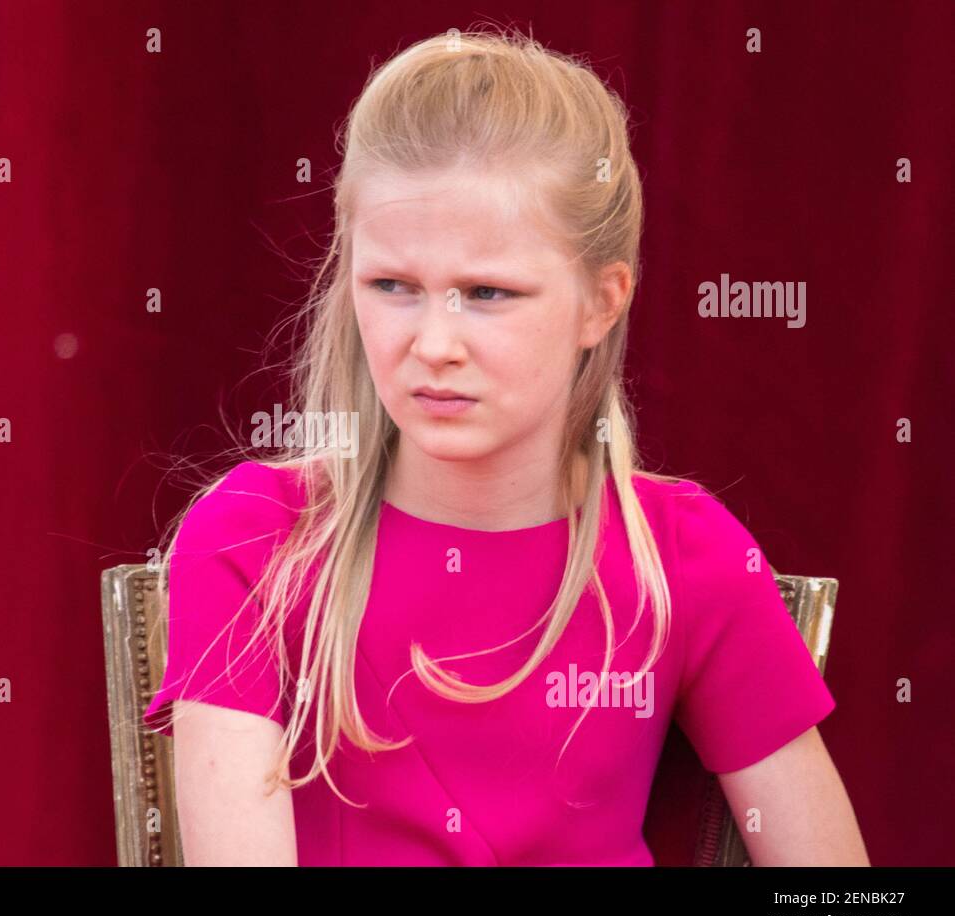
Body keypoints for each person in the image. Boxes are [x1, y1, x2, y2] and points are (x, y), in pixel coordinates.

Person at [142, 26, 868, 867]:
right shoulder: (256, 538)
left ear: (602, 303)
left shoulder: (684, 554)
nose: (434, 344)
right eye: (392, 287)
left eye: (487, 292)